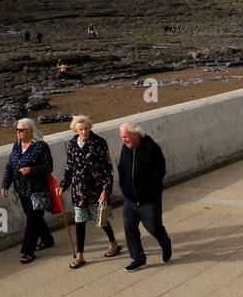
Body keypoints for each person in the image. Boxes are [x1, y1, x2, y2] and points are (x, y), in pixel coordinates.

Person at [62, 115, 121, 268]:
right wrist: (63, 185)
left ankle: (113, 243)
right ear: (75, 129)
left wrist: (106, 190)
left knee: (100, 219)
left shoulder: (99, 142)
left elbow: (108, 168)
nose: (84, 132)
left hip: (96, 189)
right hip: (79, 190)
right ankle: (80, 255)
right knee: (79, 222)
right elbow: (69, 167)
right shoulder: (72, 144)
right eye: (80, 129)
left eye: (86, 128)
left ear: (90, 127)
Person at [117, 122, 172, 271]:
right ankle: (138, 258)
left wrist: (148, 192)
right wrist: (124, 188)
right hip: (130, 200)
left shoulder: (152, 149)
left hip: (149, 200)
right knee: (129, 229)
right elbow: (121, 168)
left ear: (136, 134)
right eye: (121, 137)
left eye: (126, 137)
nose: (123, 140)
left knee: (154, 227)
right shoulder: (125, 148)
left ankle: (165, 242)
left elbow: (159, 172)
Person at [1, 117, 55, 263]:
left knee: (33, 219)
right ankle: (47, 239)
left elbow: (48, 167)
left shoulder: (40, 146)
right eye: (16, 130)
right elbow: (10, 166)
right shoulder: (16, 145)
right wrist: (5, 185)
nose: (18, 133)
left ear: (30, 131)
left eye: (21, 130)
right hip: (22, 190)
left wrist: (31, 169)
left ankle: (28, 251)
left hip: (39, 190)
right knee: (33, 217)